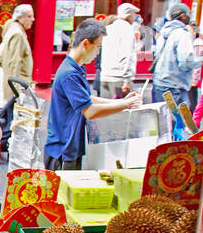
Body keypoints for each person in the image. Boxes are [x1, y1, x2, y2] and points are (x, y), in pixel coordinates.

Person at [44, 21, 143, 171]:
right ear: (86, 44)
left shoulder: (76, 68)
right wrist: (125, 105)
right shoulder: (69, 73)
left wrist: (123, 101)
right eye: (98, 46)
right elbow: (90, 111)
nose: (98, 52)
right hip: (62, 149)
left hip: (70, 146)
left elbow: (88, 99)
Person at [152, 2, 200, 135]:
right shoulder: (182, 34)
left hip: (159, 83)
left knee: (161, 123)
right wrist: (200, 61)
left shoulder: (164, 32)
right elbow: (185, 62)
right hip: (174, 86)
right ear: (184, 16)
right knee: (178, 124)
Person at [100, 3, 140, 99]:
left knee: (106, 110)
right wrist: (127, 79)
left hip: (105, 75)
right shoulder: (127, 29)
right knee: (120, 110)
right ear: (128, 15)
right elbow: (127, 55)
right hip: (119, 77)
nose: (135, 17)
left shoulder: (108, 28)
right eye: (134, 14)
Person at [0, 3, 34, 105]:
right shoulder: (17, 33)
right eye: (30, 16)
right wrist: (15, 92)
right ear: (20, 17)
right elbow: (14, 63)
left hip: (17, 85)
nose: (33, 19)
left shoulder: (13, 28)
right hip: (19, 86)